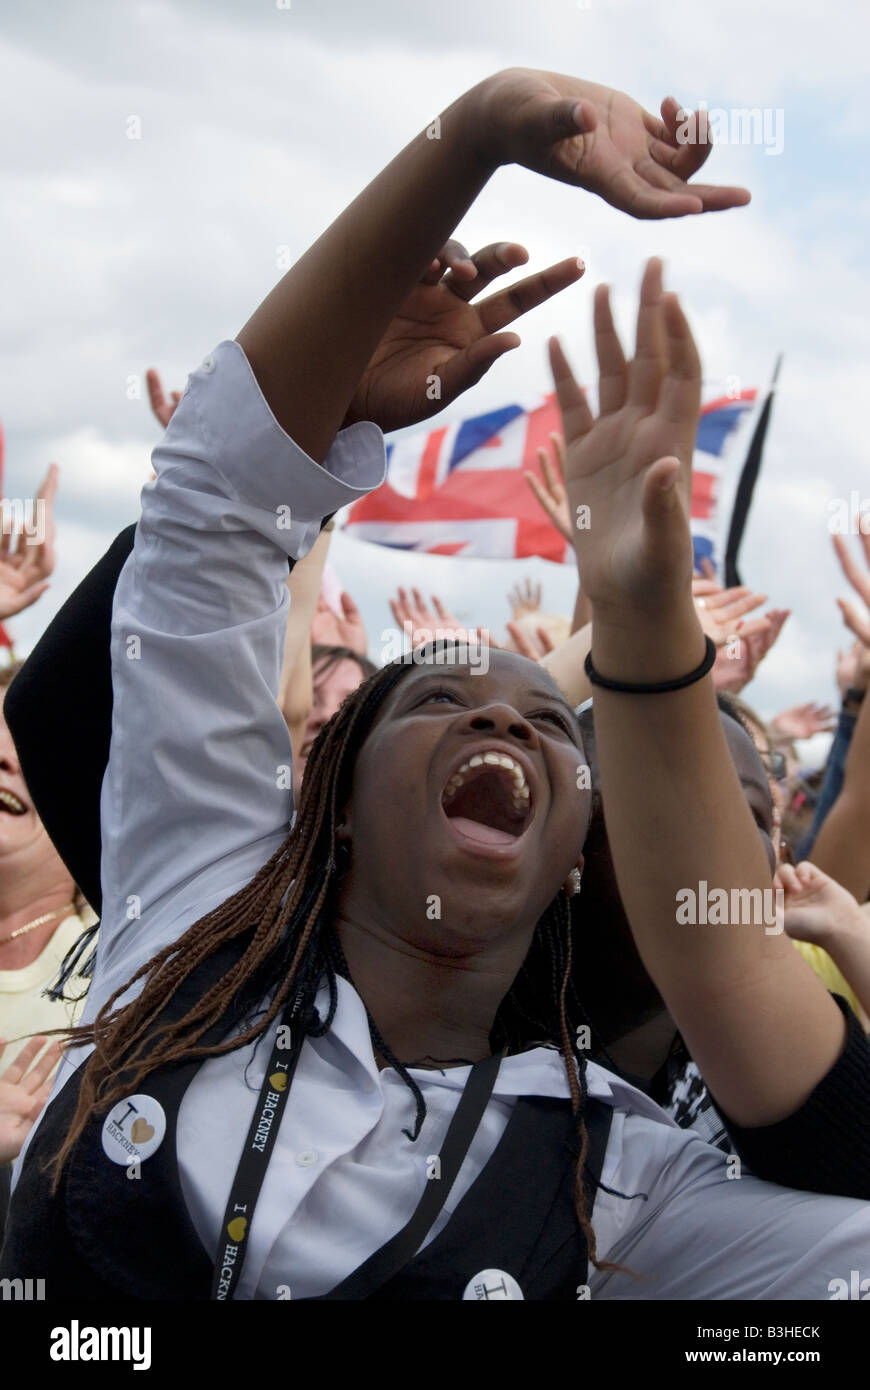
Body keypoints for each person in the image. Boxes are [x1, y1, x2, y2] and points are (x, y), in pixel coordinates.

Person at [5, 67, 870, 1303]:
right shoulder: (192, 914)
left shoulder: (624, 1184)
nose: (504, 712)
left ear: (580, 850)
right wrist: (481, 126)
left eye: (542, 719)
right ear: (335, 797)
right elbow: (216, 498)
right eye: (439, 699)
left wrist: (639, 614)